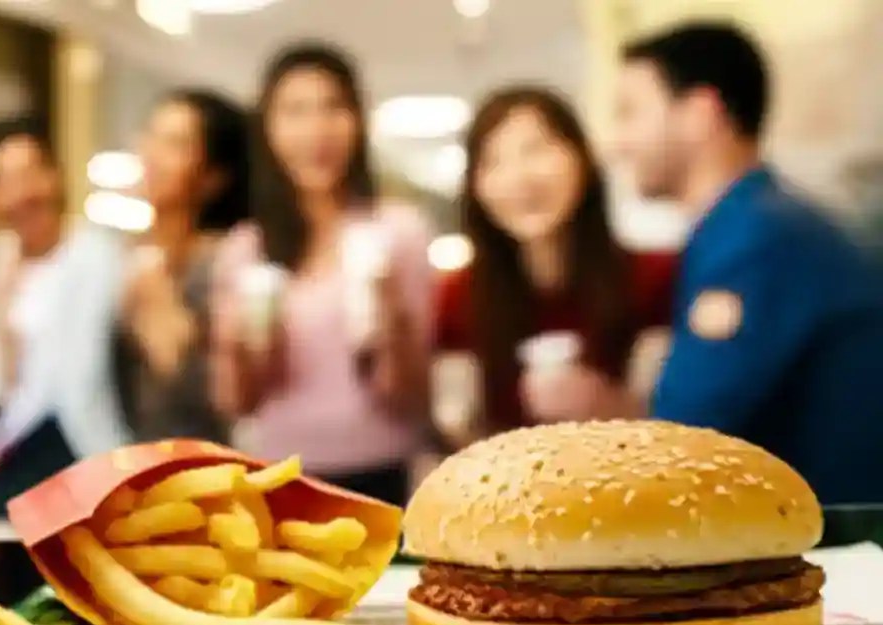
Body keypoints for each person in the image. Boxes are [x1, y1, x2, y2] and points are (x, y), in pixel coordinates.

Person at [615, 22, 883, 504]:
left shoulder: (756, 238)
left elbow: (685, 434)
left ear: (700, 113)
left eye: (630, 113)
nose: (618, 142)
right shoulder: (751, 220)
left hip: (845, 545)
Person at [211, 42, 433, 508]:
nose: (317, 130)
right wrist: (239, 346)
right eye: (294, 111)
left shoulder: (398, 232)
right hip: (278, 474)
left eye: (333, 107)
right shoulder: (244, 250)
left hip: (383, 472)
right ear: (267, 128)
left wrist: (389, 319)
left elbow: (411, 396)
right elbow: (237, 402)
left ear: (358, 120)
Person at [434, 87, 677, 445]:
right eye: (493, 161)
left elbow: (670, 424)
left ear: (582, 158)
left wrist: (605, 404)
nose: (520, 178)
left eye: (536, 150)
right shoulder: (458, 295)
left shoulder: (653, 278)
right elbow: (455, 424)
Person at [0, 116, 130, 515]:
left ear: (54, 176)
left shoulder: (100, 256)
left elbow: (82, 377)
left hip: (84, 441)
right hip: (18, 442)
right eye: (3, 182)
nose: (21, 194)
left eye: (29, 174)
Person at [117, 89, 250, 444]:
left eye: (175, 144)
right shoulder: (129, 253)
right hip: (129, 465)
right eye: (151, 135)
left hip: (202, 469)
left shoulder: (223, 261)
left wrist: (159, 300)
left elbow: (207, 392)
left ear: (213, 177)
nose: (151, 155)